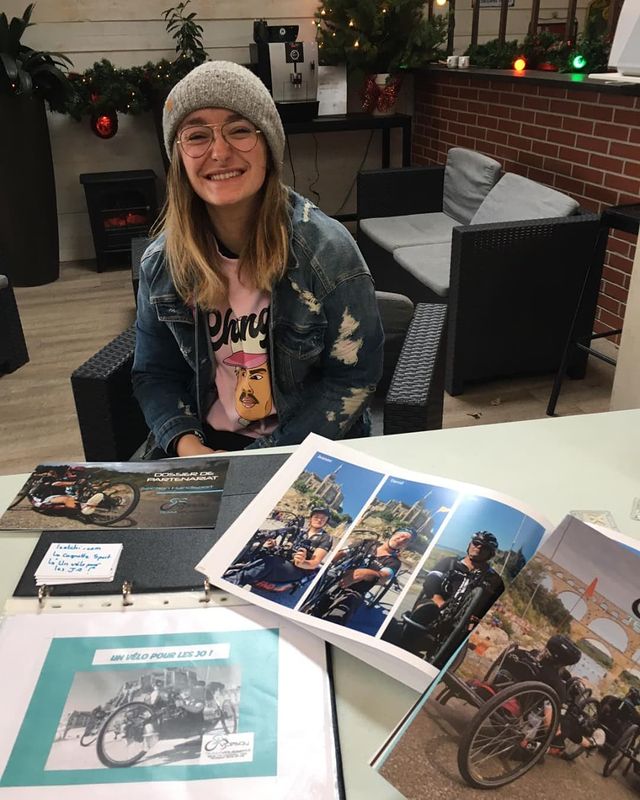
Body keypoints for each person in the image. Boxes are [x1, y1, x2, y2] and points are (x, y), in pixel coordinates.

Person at [132, 61, 384, 458]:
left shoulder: (328, 253)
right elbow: (154, 373)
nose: (219, 152)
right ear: (179, 157)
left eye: (239, 130)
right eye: (197, 135)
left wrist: (260, 461)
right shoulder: (161, 262)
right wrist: (186, 443)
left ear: (268, 145)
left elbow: (354, 380)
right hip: (202, 446)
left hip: (304, 446)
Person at [391, 531, 505, 654]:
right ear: (470, 544)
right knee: (426, 609)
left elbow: (493, 605)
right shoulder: (450, 562)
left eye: (484, 547)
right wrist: (437, 598)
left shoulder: (495, 580)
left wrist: (478, 619)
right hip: (436, 605)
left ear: (490, 554)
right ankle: (403, 647)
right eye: (476, 543)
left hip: (463, 621)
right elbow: (431, 579)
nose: (478, 547)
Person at [306, 528, 417, 625]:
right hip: (338, 577)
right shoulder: (367, 543)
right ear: (393, 534)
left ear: (406, 546)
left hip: (356, 591)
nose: (401, 540)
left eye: (406, 541)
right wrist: (330, 563)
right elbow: (343, 552)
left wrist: (365, 573)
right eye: (401, 536)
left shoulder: (394, 562)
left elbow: (384, 576)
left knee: (336, 618)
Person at [223, 506, 333, 592]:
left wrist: (302, 562)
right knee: (255, 549)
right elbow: (288, 545)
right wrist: (273, 545)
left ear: (326, 522)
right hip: (284, 560)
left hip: (298, 569)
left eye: (323, 518)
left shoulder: (326, 538)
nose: (319, 519)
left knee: (271, 562)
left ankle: (229, 582)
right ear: (311, 518)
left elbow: (315, 562)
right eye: (316, 516)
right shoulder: (300, 530)